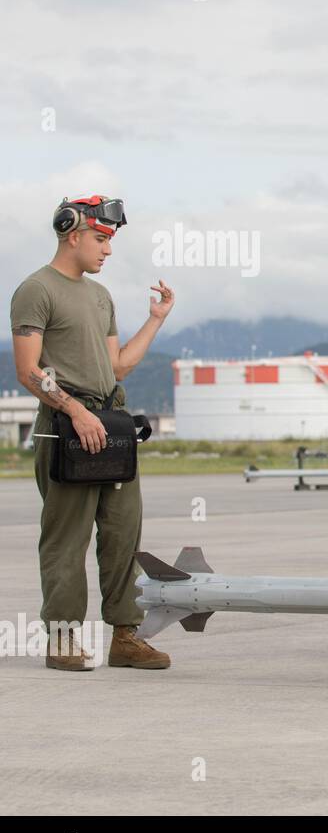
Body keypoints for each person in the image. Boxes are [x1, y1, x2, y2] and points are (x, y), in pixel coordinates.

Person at [9, 195, 174, 670]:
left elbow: (118, 366)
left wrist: (156, 320)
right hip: (66, 429)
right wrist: (75, 411)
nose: (108, 250)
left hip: (111, 425)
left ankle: (126, 636)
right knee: (66, 539)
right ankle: (62, 640)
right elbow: (27, 370)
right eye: (101, 239)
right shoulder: (35, 289)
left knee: (123, 534)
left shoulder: (100, 297)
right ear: (71, 232)